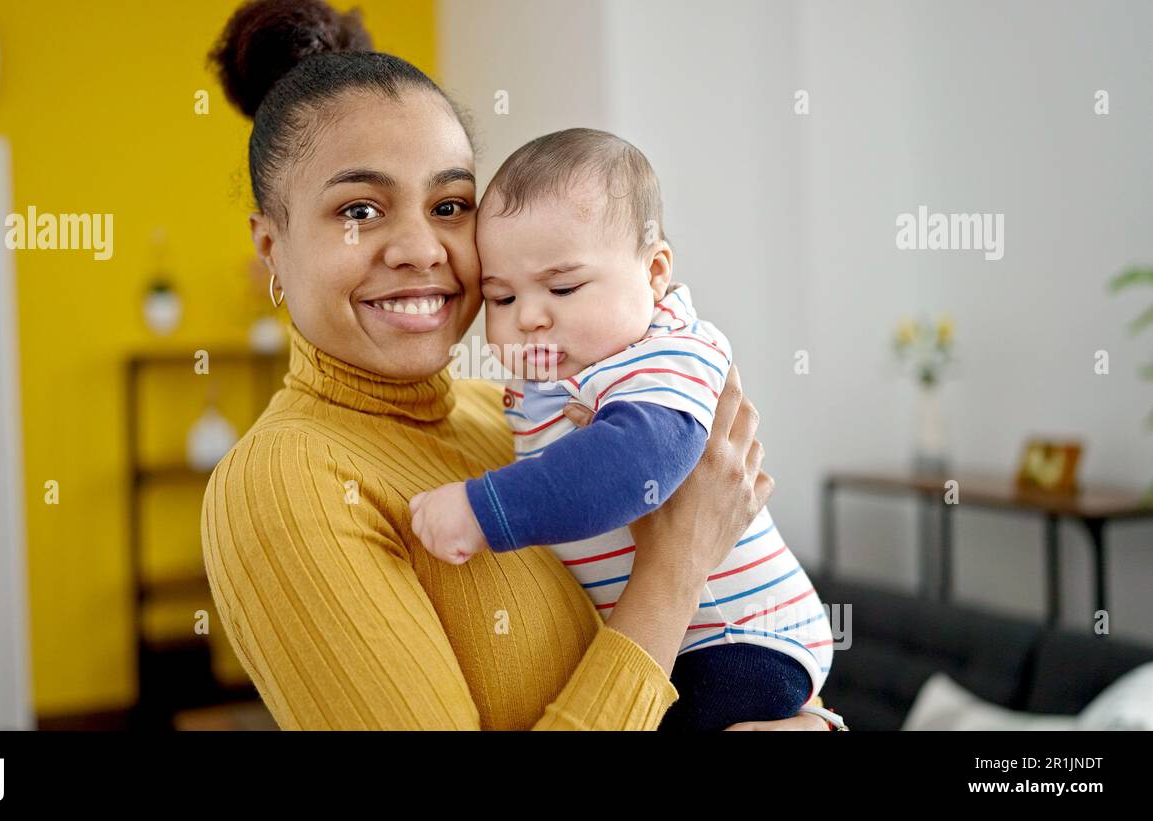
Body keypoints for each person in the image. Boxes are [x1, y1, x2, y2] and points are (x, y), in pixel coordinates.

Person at [200, 0, 837, 730]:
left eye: (449, 205)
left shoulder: (516, 411)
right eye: (360, 210)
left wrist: (815, 721)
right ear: (269, 244)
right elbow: (664, 592)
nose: (421, 248)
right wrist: (675, 567)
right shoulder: (282, 481)